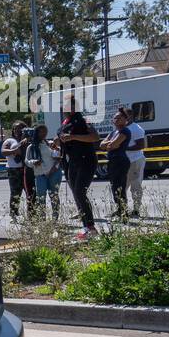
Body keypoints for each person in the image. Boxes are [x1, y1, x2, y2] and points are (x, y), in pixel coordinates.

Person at [58, 101, 100, 240]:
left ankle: (91, 228)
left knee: (80, 192)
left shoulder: (83, 121)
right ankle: (85, 227)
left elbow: (95, 137)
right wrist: (57, 142)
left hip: (86, 160)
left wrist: (73, 137)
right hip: (72, 162)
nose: (64, 108)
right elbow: (63, 138)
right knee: (76, 194)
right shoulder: (65, 122)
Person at [102, 108, 132, 219]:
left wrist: (109, 144)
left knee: (120, 187)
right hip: (112, 161)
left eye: (119, 117)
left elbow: (114, 145)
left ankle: (124, 213)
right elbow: (102, 145)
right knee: (114, 187)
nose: (116, 119)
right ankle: (119, 210)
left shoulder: (125, 131)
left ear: (125, 120)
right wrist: (109, 144)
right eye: (115, 117)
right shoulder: (113, 132)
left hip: (121, 161)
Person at [25, 123, 61, 218]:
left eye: (45, 131)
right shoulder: (31, 147)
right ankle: (43, 219)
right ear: (36, 133)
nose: (44, 133)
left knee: (54, 195)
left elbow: (58, 157)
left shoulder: (49, 144)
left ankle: (55, 218)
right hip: (40, 174)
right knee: (41, 197)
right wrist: (33, 162)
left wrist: (57, 151)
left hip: (54, 173)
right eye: (41, 131)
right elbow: (27, 161)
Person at [1, 122, 30, 220]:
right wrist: (15, 150)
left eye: (20, 128)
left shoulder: (27, 139)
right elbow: (3, 152)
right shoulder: (9, 140)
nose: (17, 130)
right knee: (15, 193)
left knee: (29, 192)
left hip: (27, 168)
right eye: (15, 128)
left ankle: (31, 214)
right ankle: (14, 214)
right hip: (14, 170)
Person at [124, 108, 148, 217]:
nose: (122, 118)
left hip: (135, 160)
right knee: (121, 187)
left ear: (130, 116)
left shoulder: (136, 129)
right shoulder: (121, 129)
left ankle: (136, 210)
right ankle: (122, 209)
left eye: (124, 116)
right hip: (124, 162)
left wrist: (123, 148)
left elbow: (141, 145)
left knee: (135, 186)